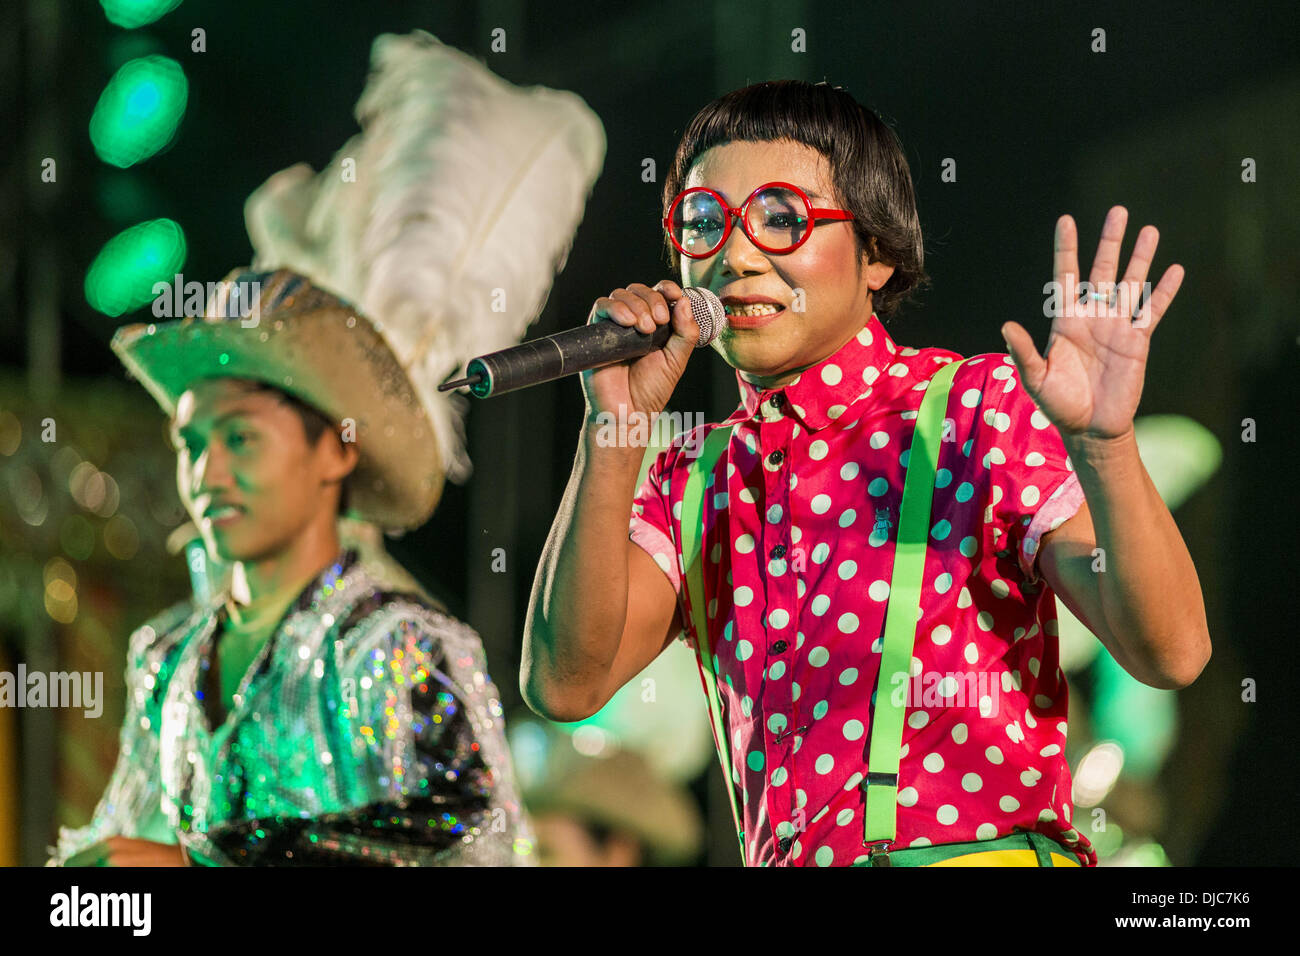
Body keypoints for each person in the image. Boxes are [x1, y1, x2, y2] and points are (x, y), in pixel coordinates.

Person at [522, 80, 1211, 867]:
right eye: (705, 223)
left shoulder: (968, 412)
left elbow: (1172, 652)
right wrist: (613, 428)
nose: (738, 254)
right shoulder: (693, 473)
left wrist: (1106, 446)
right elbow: (564, 684)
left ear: (877, 252)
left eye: (782, 219)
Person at [50, 270, 534, 866]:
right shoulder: (165, 660)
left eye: (241, 438)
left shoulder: (401, 644)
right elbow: (124, 836)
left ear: (335, 450)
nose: (206, 475)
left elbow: (478, 842)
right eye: (191, 445)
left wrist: (209, 864)